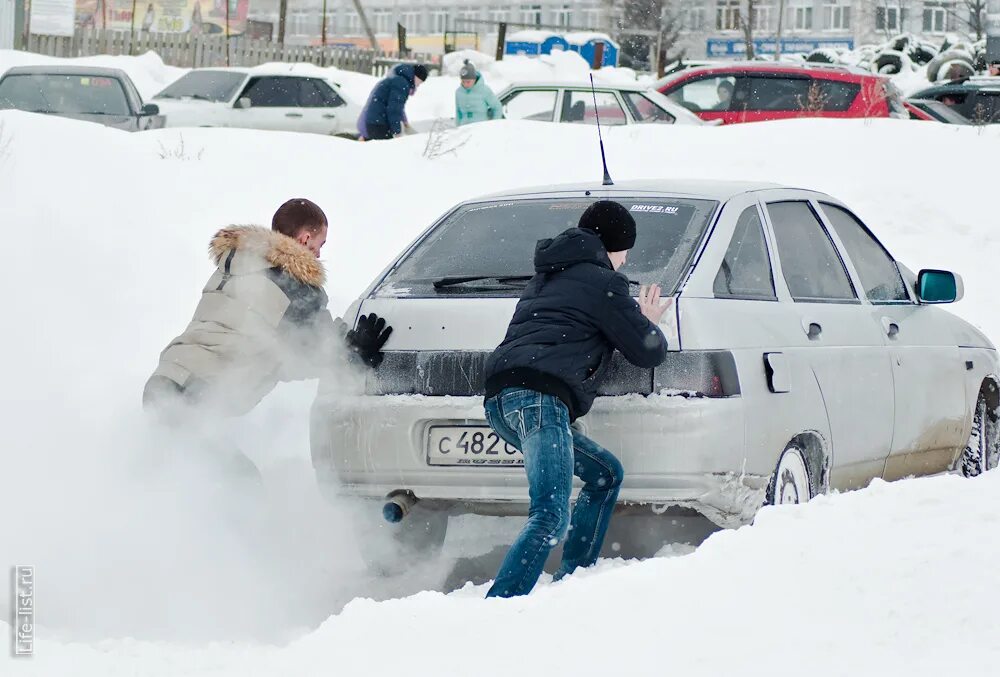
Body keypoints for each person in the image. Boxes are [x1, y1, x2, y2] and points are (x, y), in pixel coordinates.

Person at [481, 201, 670, 598]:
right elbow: (646, 351)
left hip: (502, 401)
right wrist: (649, 322)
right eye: (625, 250)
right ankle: (498, 608)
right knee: (549, 516)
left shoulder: (547, 275)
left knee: (605, 474)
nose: (625, 259)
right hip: (540, 400)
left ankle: (574, 583)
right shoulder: (602, 281)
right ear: (612, 245)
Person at [143, 198, 392, 477]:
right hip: (196, 394)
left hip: (164, 382)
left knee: (175, 484)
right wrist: (356, 352)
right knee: (237, 491)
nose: (319, 255)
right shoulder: (293, 285)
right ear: (305, 238)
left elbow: (278, 354)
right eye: (320, 245)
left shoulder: (238, 263)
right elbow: (320, 352)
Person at [360, 63, 428, 141]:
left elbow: (397, 106)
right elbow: (394, 109)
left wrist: (404, 121)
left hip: (375, 122)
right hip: (379, 124)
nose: (419, 85)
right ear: (417, 76)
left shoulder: (399, 79)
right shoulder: (402, 83)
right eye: (420, 81)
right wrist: (397, 132)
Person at [454, 60, 503, 127]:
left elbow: (497, 107)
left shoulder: (484, 90)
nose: (465, 84)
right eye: (463, 81)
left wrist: (493, 125)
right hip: (464, 128)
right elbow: (458, 112)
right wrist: (458, 128)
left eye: (468, 82)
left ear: (474, 79)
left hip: (480, 128)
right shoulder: (459, 92)